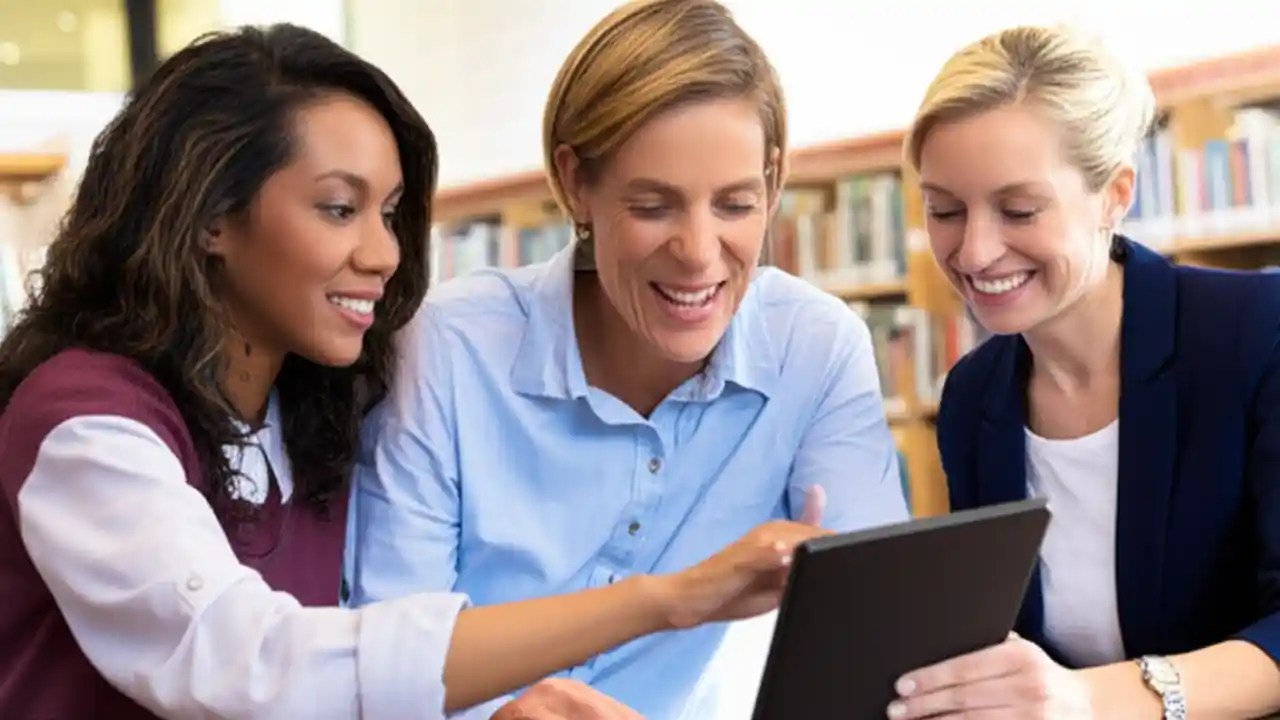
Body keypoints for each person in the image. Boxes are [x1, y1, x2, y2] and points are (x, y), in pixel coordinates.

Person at [0, 23, 832, 720]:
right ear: (211, 216)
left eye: (391, 214)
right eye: (339, 209)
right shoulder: (85, 424)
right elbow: (249, 664)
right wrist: (668, 598)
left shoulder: (320, 415)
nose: (385, 254)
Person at [348, 0, 909, 717]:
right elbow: (387, 668)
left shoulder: (815, 348)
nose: (698, 253)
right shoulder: (446, 350)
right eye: (653, 206)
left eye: (735, 205)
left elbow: (880, 639)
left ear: (772, 183)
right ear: (576, 183)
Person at [887, 24, 1280, 720]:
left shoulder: (1255, 334)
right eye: (944, 210)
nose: (973, 252)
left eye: (1019, 210)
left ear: (1114, 195)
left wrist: (1089, 700)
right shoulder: (974, 397)